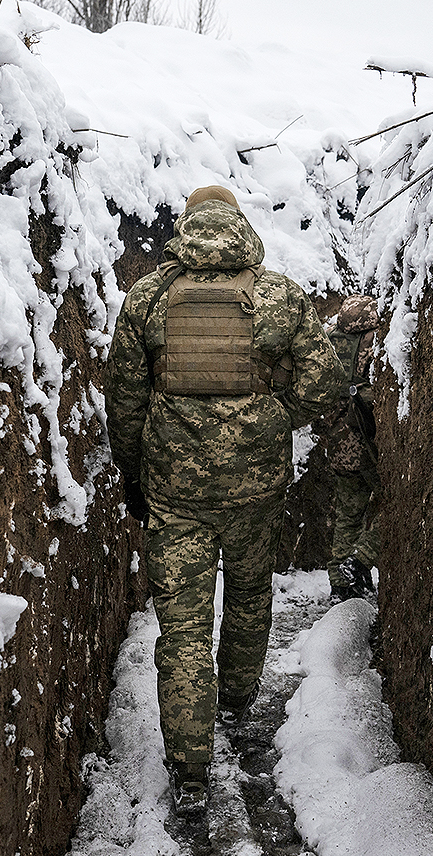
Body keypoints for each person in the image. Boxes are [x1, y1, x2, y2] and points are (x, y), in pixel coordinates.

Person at [105, 185, 342, 812]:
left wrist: (134, 473)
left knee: (181, 625)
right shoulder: (279, 294)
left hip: (175, 492)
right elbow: (325, 380)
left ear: (188, 228)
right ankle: (237, 708)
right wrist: (273, 416)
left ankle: (188, 771)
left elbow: (125, 397)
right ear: (238, 227)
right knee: (247, 594)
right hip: (255, 488)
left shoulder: (149, 297)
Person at [324, 295, 380, 603]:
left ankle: (340, 584)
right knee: (393, 504)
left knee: (347, 513)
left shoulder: (329, 337)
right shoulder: (374, 341)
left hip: (337, 438)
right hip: (365, 441)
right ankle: (361, 560)